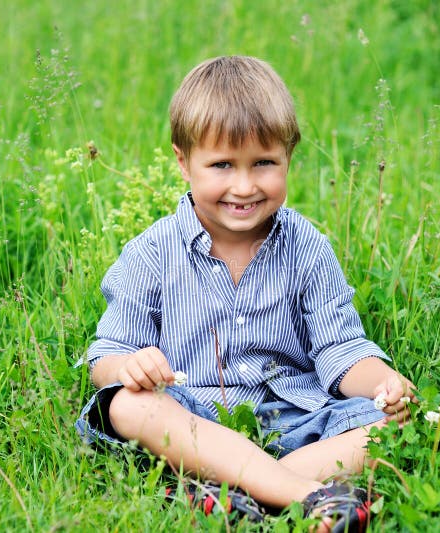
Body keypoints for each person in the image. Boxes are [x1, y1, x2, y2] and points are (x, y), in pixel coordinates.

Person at [76, 55, 416, 532]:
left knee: (397, 426)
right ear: (183, 162)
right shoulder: (151, 253)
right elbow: (106, 357)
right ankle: (307, 495)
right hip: (193, 418)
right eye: (221, 165)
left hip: (296, 422)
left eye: (263, 163)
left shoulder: (308, 248)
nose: (244, 185)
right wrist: (128, 366)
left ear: (288, 157)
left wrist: (383, 383)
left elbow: (340, 350)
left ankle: (225, 492)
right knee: (127, 403)